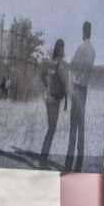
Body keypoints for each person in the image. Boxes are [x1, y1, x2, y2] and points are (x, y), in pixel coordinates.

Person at [66, 20, 97, 172]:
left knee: (73, 127)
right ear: (90, 32)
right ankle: (79, 165)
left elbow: (72, 65)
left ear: (84, 32)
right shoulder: (93, 51)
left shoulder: (81, 48)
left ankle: (68, 164)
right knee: (81, 126)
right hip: (85, 89)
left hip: (77, 88)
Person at [40, 38, 68, 166]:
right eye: (63, 48)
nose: (63, 50)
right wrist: (66, 95)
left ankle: (43, 158)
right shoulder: (60, 64)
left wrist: (47, 86)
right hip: (54, 100)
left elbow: (42, 75)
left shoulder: (51, 62)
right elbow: (64, 82)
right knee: (51, 129)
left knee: (50, 128)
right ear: (61, 49)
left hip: (48, 97)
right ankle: (43, 159)